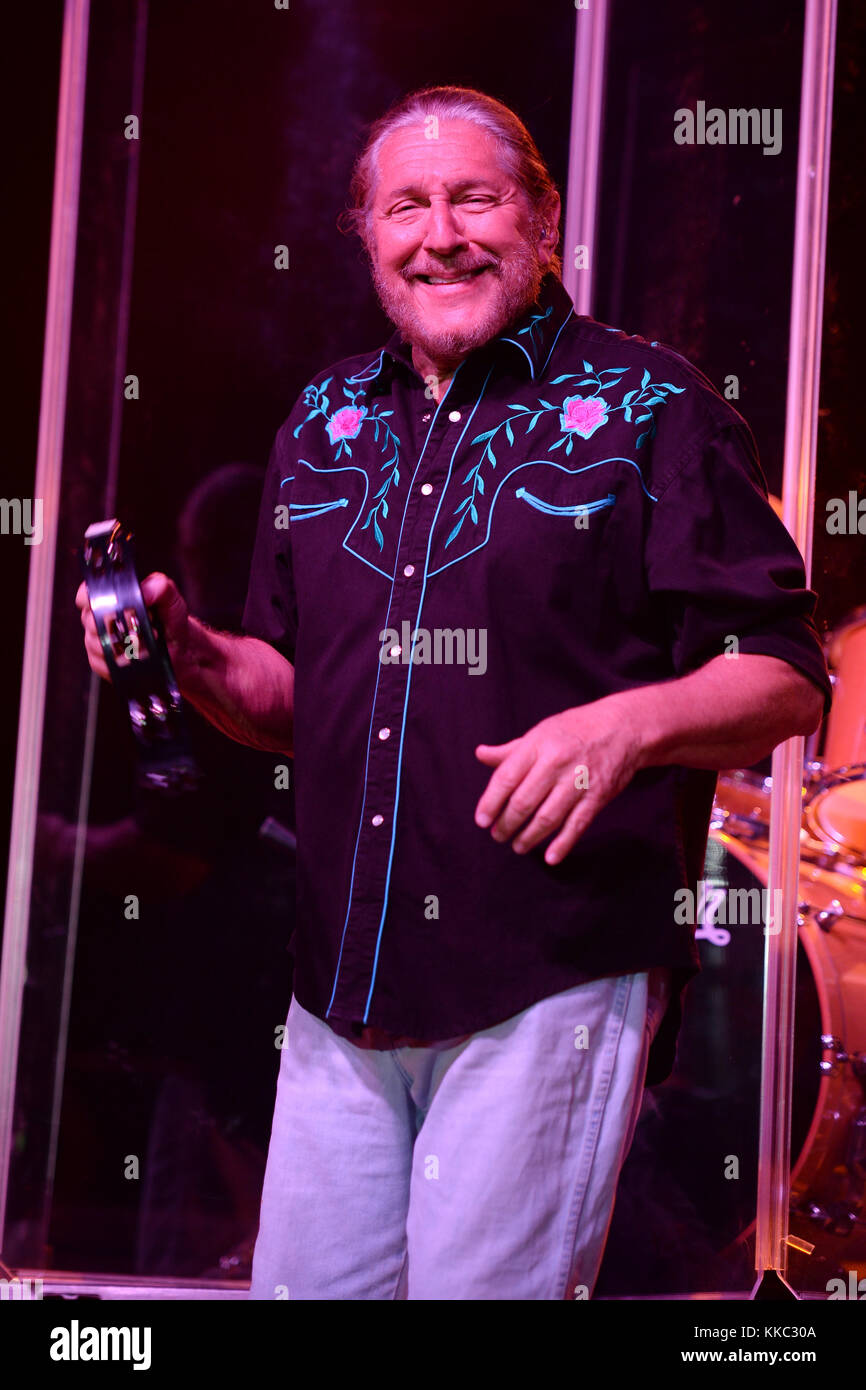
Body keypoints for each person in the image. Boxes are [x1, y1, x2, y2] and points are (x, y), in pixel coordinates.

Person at [77, 85, 831, 1300]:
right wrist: (195, 655)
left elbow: (785, 677)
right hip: (336, 987)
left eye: (474, 199)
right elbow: (288, 690)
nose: (441, 234)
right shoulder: (322, 421)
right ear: (365, 237)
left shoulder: (652, 409)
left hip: (547, 975)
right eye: (405, 207)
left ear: (540, 219)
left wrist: (624, 722)